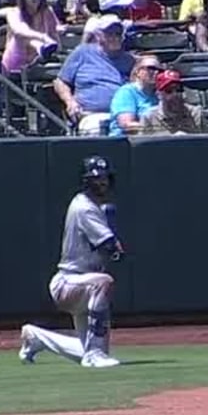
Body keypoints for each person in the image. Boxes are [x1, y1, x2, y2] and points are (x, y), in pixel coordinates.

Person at [18, 155, 126, 369]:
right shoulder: (85, 207)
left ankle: (36, 337)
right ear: (86, 181)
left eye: (104, 178)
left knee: (82, 350)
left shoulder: (94, 206)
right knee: (103, 282)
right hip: (69, 282)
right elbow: (111, 247)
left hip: (83, 283)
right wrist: (116, 245)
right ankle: (94, 354)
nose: (101, 182)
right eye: (96, 179)